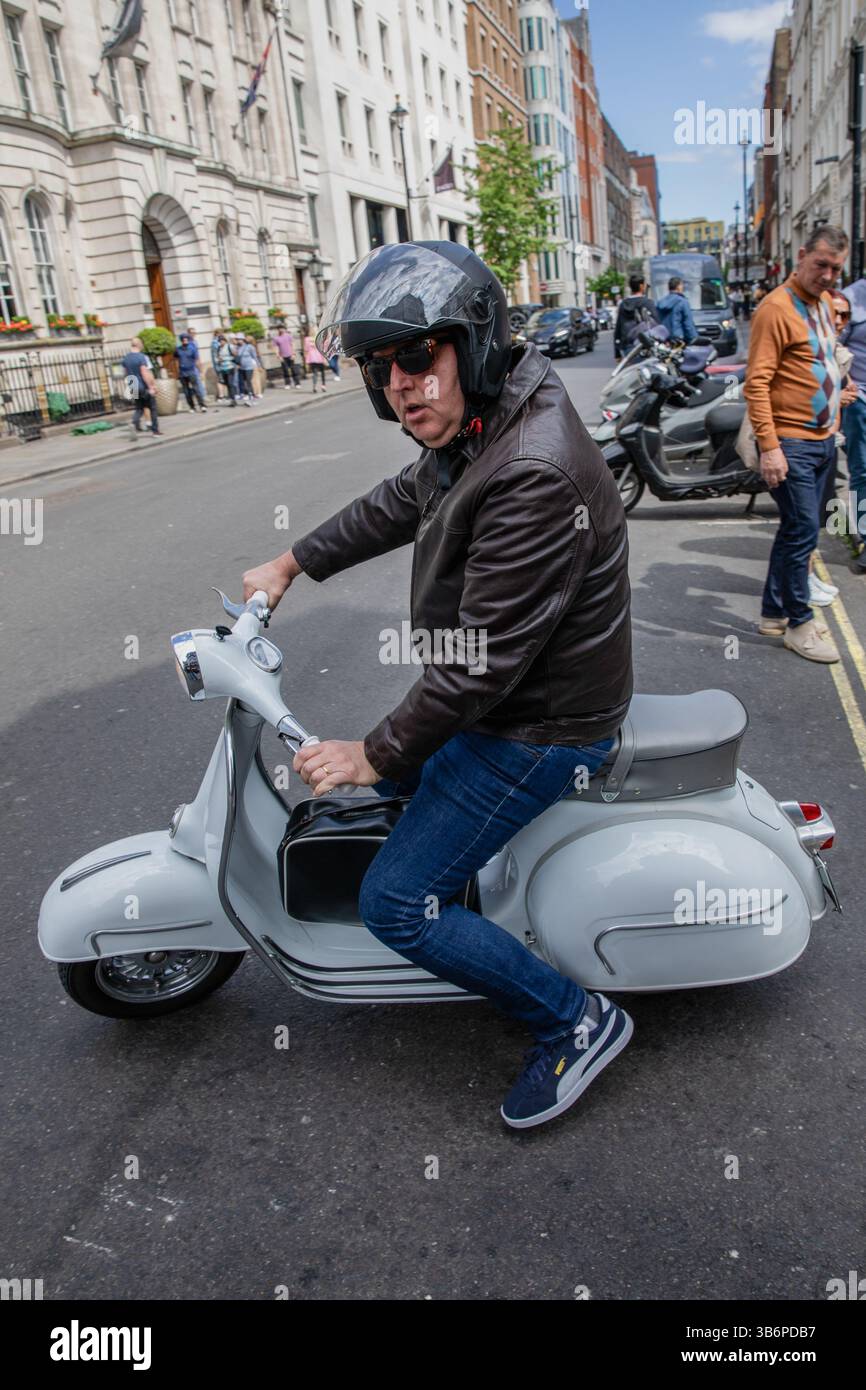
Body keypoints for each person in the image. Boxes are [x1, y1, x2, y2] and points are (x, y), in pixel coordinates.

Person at [241, 240, 634, 1130]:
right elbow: (398, 500)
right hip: (507, 701)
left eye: (418, 356)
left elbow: (477, 668)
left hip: (542, 729)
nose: (401, 385)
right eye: (383, 369)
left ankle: (577, 1021)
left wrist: (371, 752)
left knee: (392, 902)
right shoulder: (485, 419)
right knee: (395, 789)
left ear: (477, 340)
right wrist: (291, 561)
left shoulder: (530, 467)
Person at [743, 226, 849, 662]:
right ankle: (799, 624)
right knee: (804, 531)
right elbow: (758, 382)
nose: (827, 275)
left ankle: (773, 614)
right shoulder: (775, 308)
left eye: (835, 268)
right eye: (820, 264)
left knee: (796, 530)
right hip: (791, 442)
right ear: (801, 255)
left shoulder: (823, 303)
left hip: (822, 440)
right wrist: (770, 446)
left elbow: (822, 362)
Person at [840, 275, 866, 573]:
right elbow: (833, 349)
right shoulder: (850, 299)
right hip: (861, 400)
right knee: (862, 470)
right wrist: (849, 389)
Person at [121, 336, 161, 435]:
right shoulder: (141, 357)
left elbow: (126, 374)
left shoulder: (126, 358)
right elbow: (144, 373)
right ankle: (155, 431)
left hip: (133, 385)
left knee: (139, 408)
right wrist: (151, 387)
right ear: (139, 345)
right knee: (153, 407)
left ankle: (133, 422)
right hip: (142, 385)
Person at [613, 274, 659, 360]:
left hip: (627, 346)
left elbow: (618, 328)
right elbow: (657, 324)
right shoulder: (647, 303)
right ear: (641, 286)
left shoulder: (623, 304)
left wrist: (617, 353)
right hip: (645, 345)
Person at [655, 276, 697, 344]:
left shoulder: (660, 303)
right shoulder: (682, 302)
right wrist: (694, 339)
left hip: (663, 339)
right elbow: (688, 324)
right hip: (678, 339)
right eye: (682, 285)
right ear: (678, 287)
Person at [174, 331, 208, 413]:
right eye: (183, 339)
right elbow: (176, 360)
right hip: (182, 372)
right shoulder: (178, 350)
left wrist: (200, 371)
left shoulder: (192, 348)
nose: (185, 341)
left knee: (196, 389)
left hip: (192, 371)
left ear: (188, 340)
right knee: (186, 391)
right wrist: (177, 371)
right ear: (181, 340)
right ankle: (191, 406)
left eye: (186, 339)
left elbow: (197, 360)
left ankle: (202, 405)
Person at [214, 332, 239, 405]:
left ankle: (233, 399)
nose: (221, 342)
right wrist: (218, 360)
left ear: (225, 341)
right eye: (220, 341)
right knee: (227, 383)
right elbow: (217, 357)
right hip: (223, 368)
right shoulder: (219, 348)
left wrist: (235, 362)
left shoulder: (229, 346)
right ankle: (231, 398)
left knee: (230, 383)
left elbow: (235, 354)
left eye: (222, 340)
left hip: (230, 366)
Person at [236, 335, 260, 405]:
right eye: (237, 339)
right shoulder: (237, 347)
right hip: (241, 367)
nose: (238, 341)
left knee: (248, 381)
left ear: (243, 339)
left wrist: (258, 365)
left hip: (249, 367)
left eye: (239, 339)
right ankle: (247, 394)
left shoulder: (249, 347)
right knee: (243, 382)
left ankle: (252, 395)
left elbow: (254, 356)